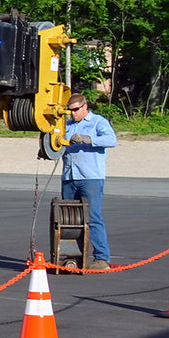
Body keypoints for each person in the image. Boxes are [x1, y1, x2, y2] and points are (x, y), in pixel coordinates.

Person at [61, 92, 117, 270]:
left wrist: (88, 139)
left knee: (92, 218)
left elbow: (111, 140)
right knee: (69, 220)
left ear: (85, 107)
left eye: (76, 110)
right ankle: (72, 257)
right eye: (70, 110)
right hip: (70, 177)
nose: (72, 113)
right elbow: (56, 143)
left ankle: (102, 258)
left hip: (90, 177)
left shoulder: (98, 122)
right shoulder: (67, 125)